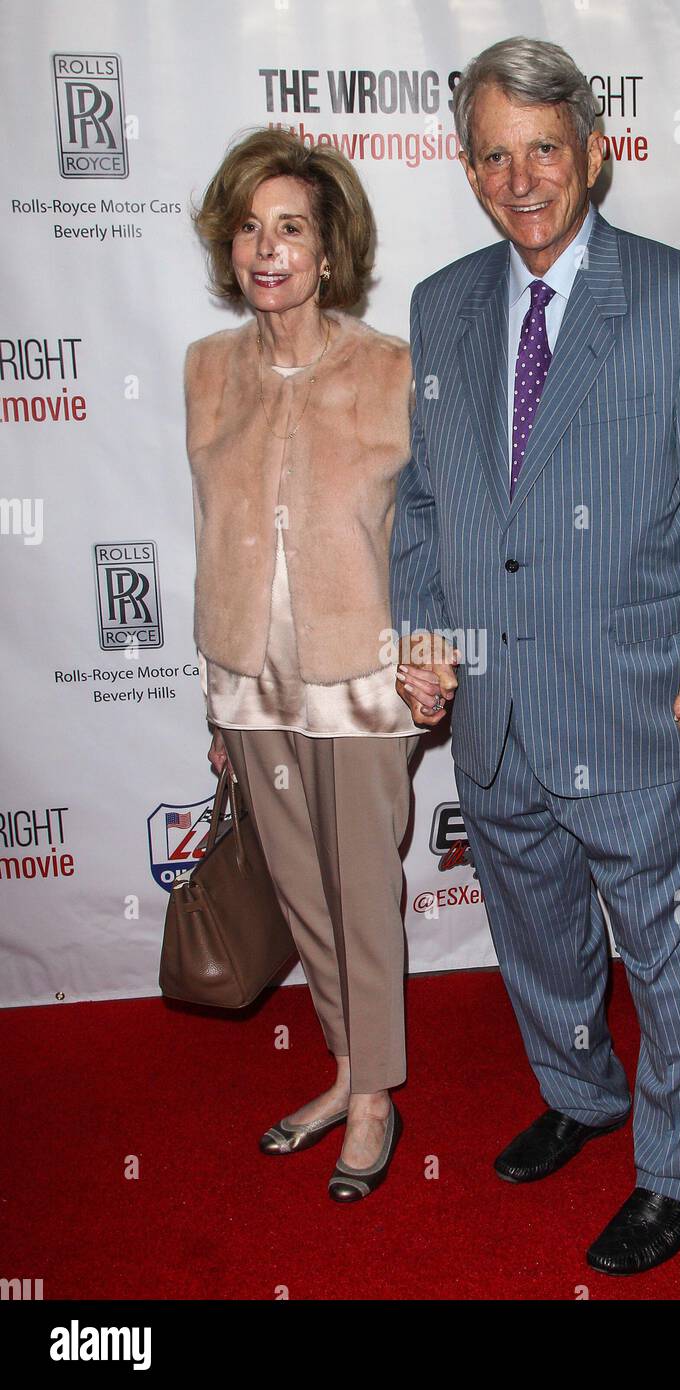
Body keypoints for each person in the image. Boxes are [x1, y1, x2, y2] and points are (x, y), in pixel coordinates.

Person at [390, 37, 680, 1273]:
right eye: (492, 154)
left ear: (592, 152)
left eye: (542, 146)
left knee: (664, 954)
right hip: (493, 706)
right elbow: (432, 508)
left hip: (634, 698)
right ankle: (581, 1090)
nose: (520, 177)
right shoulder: (439, 306)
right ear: (466, 169)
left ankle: (676, 1169)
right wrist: (423, 630)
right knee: (537, 935)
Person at [185, 128, 430, 1202]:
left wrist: (432, 651)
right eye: (248, 227)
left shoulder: (390, 373)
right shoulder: (204, 372)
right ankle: (344, 1067)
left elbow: (431, 533)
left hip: (360, 677)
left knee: (362, 893)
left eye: (290, 227)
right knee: (301, 892)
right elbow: (206, 525)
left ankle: (373, 1094)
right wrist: (214, 694)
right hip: (250, 677)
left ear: (328, 251)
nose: (267, 248)